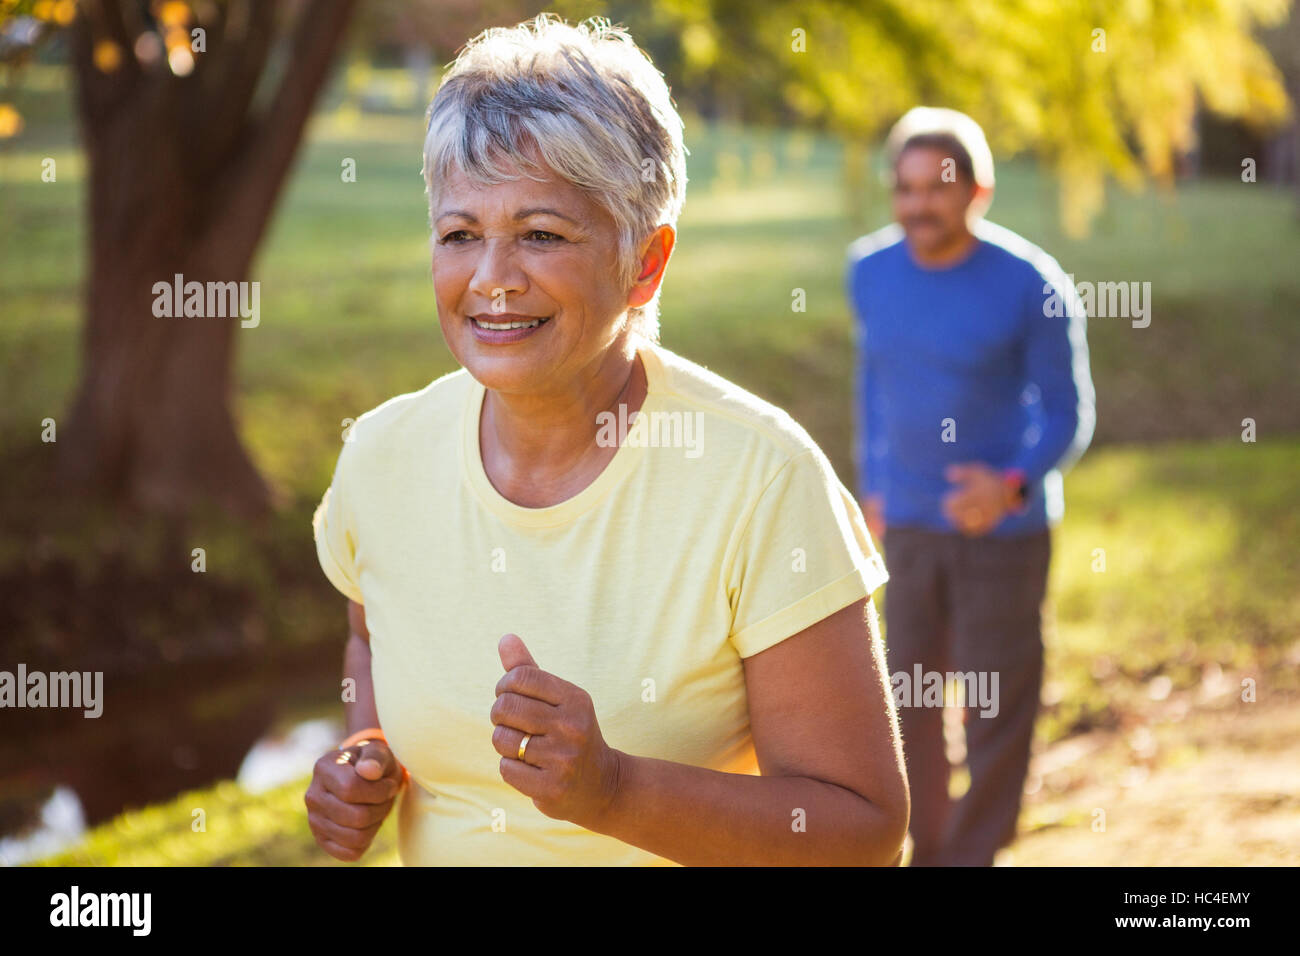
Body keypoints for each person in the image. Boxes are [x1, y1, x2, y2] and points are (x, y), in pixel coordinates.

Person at [303, 14, 908, 866]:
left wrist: (615, 791)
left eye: (542, 234)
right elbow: (369, 638)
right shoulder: (381, 457)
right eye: (460, 234)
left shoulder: (761, 480)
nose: (492, 279)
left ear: (646, 263)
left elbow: (863, 829)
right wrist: (365, 751)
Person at [846, 107, 1095, 866]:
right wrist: (873, 485)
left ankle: (974, 854)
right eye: (906, 188)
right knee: (909, 705)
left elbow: (1069, 413)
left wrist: (1011, 485)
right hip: (912, 528)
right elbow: (874, 384)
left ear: (977, 189)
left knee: (995, 711)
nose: (919, 204)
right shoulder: (868, 268)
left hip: (1004, 536)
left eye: (937, 187)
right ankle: (926, 848)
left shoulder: (1032, 284)